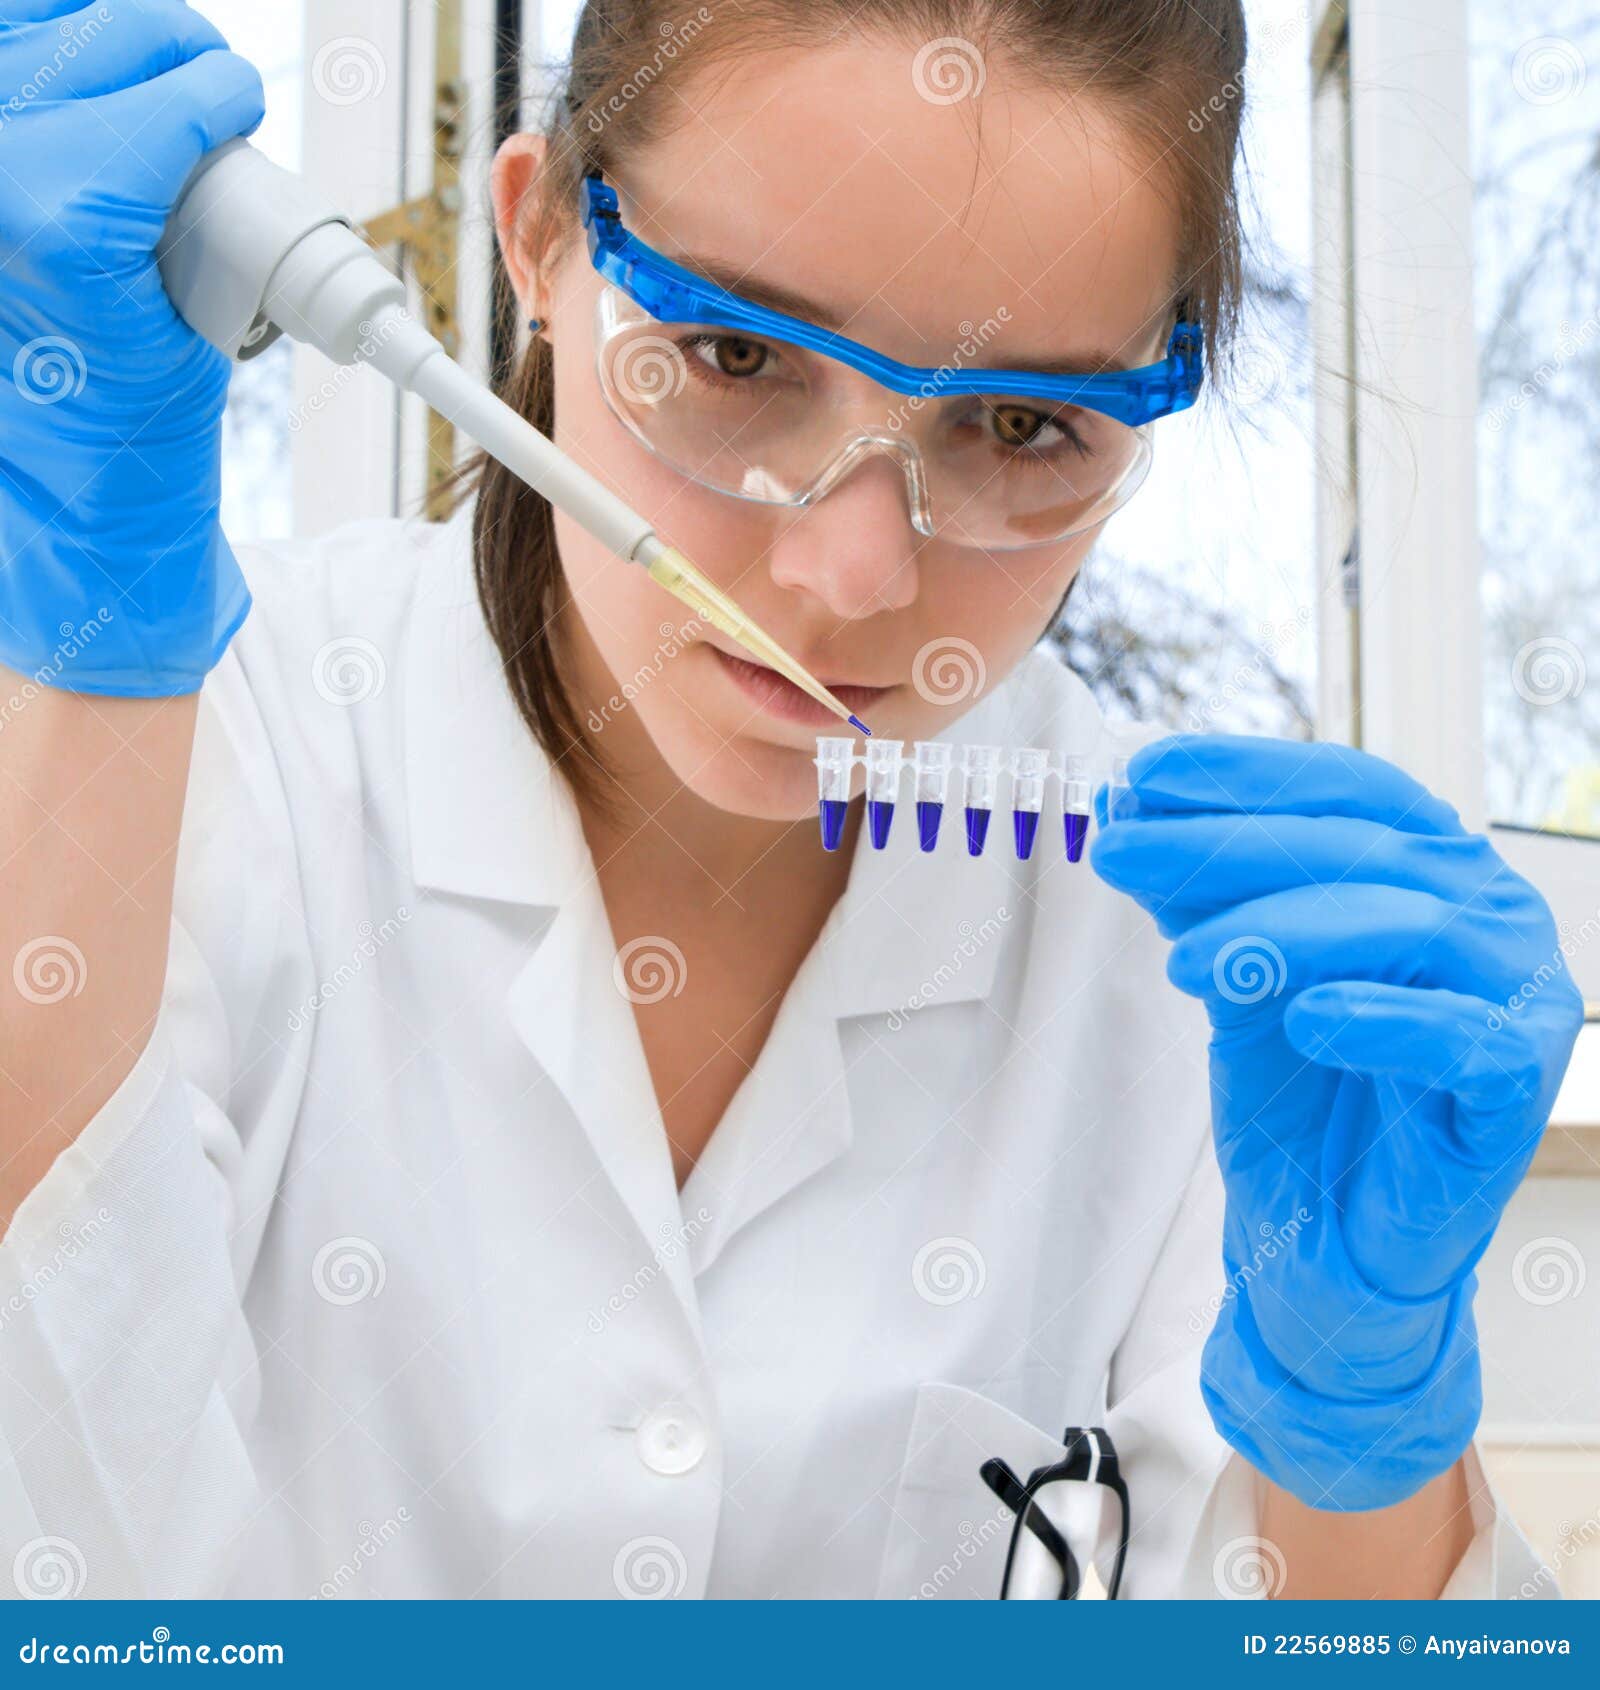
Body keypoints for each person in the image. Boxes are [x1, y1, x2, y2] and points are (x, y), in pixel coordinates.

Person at [0, 0, 1581, 1601]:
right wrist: (72, 699)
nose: (851, 577)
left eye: (1023, 427)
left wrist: (1360, 1436)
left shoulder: (1198, 964)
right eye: (736, 356)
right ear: (539, 241)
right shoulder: (210, 753)